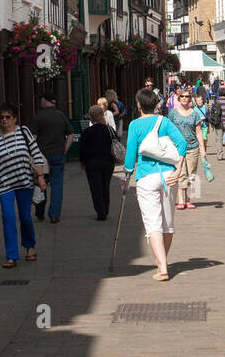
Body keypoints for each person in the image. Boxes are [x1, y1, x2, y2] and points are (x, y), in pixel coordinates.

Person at [123, 87, 188, 281]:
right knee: (167, 222)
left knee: (153, 223)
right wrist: (178, 169)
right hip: (168, 175)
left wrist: (127, 174)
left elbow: (130, 155)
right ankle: (163, 261)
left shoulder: (135, 125)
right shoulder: (165, 121)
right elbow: (182, 143)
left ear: (138, 105)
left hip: (146, 176)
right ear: (156, 104)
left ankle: (162, 267)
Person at [0, 104, 47, 267]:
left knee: (25, 217)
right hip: (4, 184)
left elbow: (36, 154)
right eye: (1, 118)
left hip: (24, 181)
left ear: (14, 119)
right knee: (8, 217)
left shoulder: (23, 132)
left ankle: (30, 246)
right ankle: (11, 255)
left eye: (7, 117)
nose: (4, 120)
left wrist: (40, 177)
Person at [32, 93, 74, 223]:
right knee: (57, 185)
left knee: (40, 182)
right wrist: (64, 150)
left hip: (41, 156)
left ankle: (40, 213)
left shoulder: (38, 116)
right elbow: (71, 135)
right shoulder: (61, 115)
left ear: (44, 101)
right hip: (58, 154)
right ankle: (54, 214)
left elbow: (33, 138)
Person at [167, 85, 208, 209]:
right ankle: (181, 200)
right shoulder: (173, 113)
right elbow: (169, 130)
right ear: (179, 98)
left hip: (192, 147)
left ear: (190, 99)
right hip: (178, 148)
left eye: (187, 96)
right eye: (182, 96)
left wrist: (202, 149)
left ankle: (188, 199)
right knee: (181, 174)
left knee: (191, 174)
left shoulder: (194, 113)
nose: (184, 98)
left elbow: (199, 132)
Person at [79, 104, 116, 219]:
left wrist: (82, 162)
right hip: (108, 162)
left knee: (96, 188)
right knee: (105, 186)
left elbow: (82, 149)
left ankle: (101, 212)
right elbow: (116, 143)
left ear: (91, 117)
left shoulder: (87, 132)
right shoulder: (109, 130)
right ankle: (105, 208)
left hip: (92, 163)